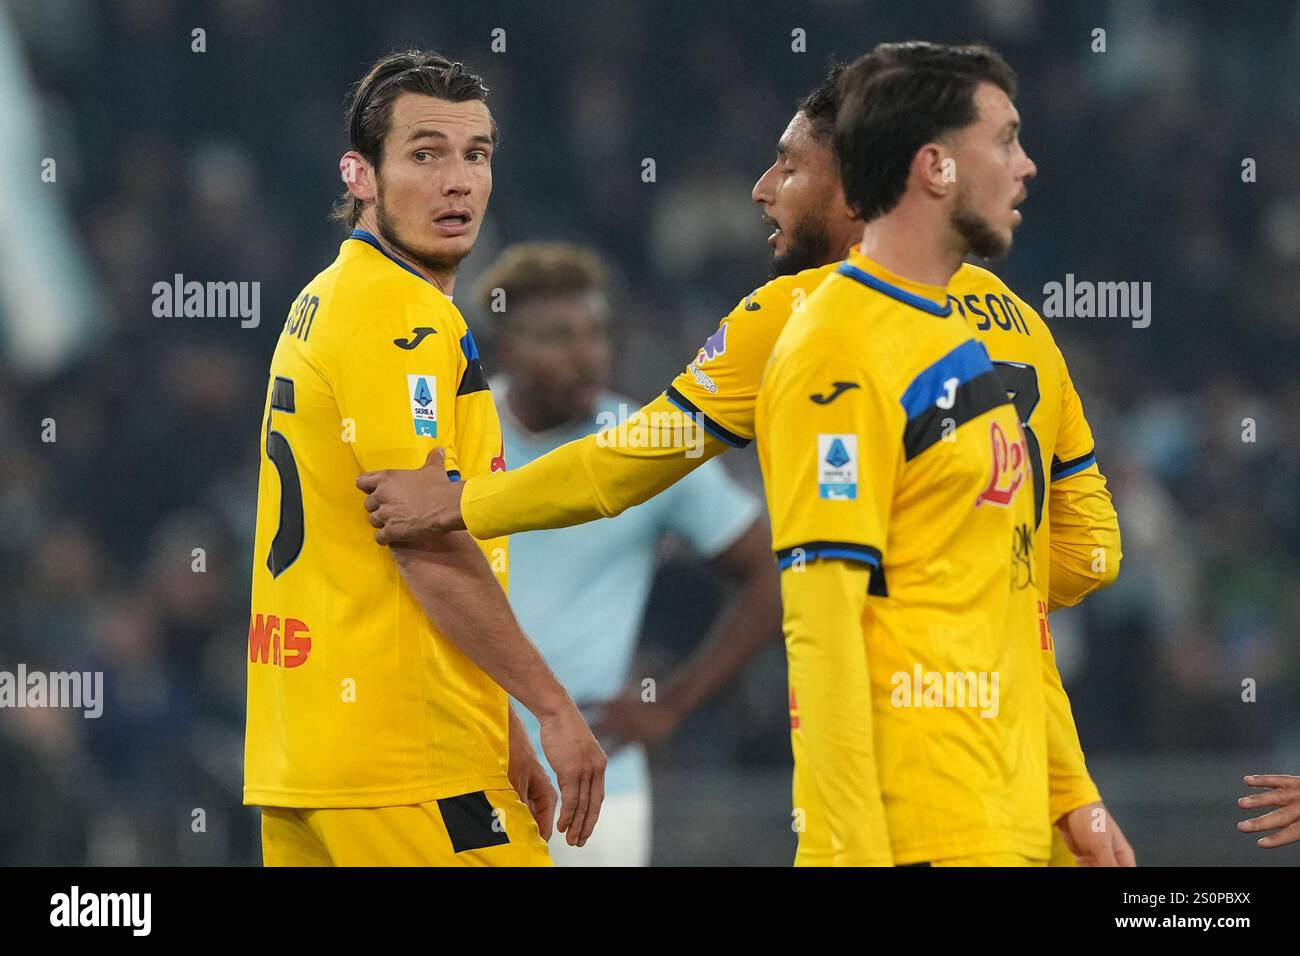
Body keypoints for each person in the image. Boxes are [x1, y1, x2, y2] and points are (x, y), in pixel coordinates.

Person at [358, 50, 1131, 866]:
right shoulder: (1021, 330)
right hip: (1016, 789)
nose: (762, 189)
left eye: (790, 168)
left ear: (853, 184)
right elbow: (1084, 559)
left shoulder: (805, 314)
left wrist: (459, 502)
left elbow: (626, 461)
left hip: (897, 798)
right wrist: (1069, 786)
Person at [245, 50, 605, 867]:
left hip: (310, 762)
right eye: (424, 153)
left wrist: (498, 721)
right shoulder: (398, 316)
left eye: (475, 155)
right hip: (409, 765)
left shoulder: (327, 297)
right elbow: (422, 539)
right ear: (359, 174)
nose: (458, 182)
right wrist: (550, 708)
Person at [759, 40, 1059, 865]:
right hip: (915, 830)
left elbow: (1015, 601)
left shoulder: (960, 345)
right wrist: (852, 849)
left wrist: (1073, 801)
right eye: (1005, 140)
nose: (1026, 166)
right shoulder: (835, 346)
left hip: (1002, 822)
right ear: (936, 167)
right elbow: (820, 626)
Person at [467, 242, 778, 865]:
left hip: (594, 783)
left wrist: (676, 703)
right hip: (464, 768)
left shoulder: (646, 444)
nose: (587, 354)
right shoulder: (461, 433)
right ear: (507, 350)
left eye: (596, 333)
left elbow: (769, 571)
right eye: (558, 336)